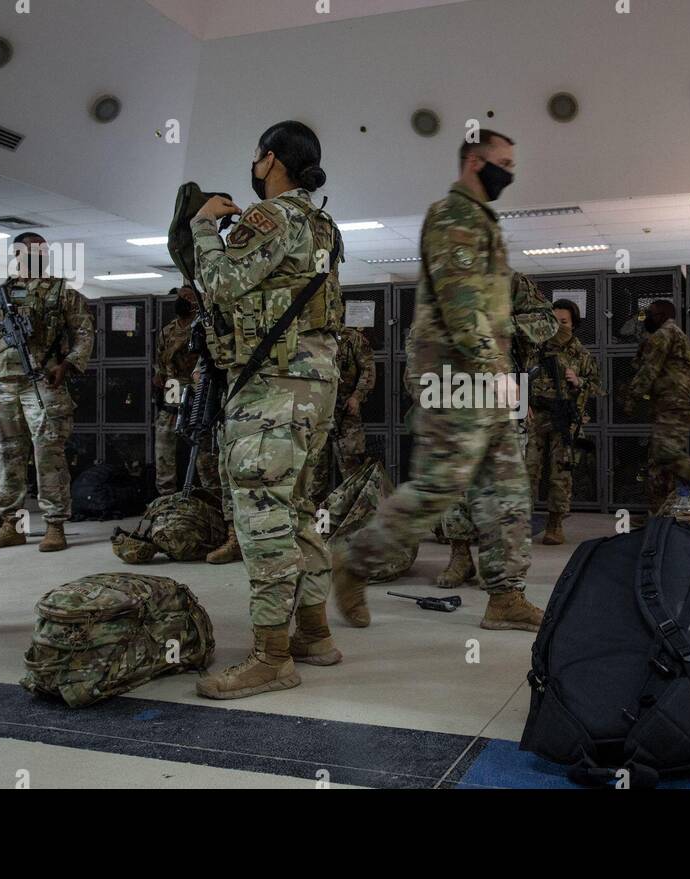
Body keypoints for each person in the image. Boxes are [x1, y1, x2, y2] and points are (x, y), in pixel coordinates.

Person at [334, 129, 543, 632]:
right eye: (503, 163)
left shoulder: (482, 220)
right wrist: (498, 375)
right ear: (474, 162)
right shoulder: (452, 216)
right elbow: (461, 305)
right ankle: (354, 563)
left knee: (507, 491)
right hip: (453, 378)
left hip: (482, 379)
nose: (509, 173)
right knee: (438, 488)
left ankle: (506, 596)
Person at [189, 120, 346, 698]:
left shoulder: (273, 216)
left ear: (270, 160)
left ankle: (270, 657)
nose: (252, 168)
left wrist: (203, 225)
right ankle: (313, 633)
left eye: (256, 158)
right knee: (298, 507)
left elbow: (220, 282)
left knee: (261, 513)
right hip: (314, 385)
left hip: (274, 388)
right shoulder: (322, 222)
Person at [0, 232, 94, 552]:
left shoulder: (62, 293)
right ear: (17, 254)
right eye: (30, 250)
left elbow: (83, 333)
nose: (37, 255)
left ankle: (55, 526)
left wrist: (67, 365)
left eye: (42, 250)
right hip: (2, 387)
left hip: (42, 382)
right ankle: (13, 525)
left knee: (48, 456)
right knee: (6, 457)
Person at [438, 272, 559, 586]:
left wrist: (505, 326)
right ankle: (460, 556)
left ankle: (500, 575)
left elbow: (547, 324)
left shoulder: (512, 281)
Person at [623, 299, 690, 510]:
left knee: (664, 451)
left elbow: (648, 371)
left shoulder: (664, 334)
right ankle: (659, 514)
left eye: (649, 314)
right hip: (675, 402)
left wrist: (631, 398)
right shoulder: (673, 334)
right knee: (658, 463)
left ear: (661, 315)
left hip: (678, 403)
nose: (645, 318)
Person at [524, 298, 600, 545]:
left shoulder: (582, 354)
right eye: (553, 321)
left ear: (574, 324)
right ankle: (521, 521)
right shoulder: (536, 349)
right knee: (528, 470)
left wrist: (579, 381)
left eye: (564, 322)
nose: (558, 326)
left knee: (561, 472)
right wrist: (522, 405)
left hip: (564, 418)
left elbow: (597, 387)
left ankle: (555, 524)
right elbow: (520, 378)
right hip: (536, 417)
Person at [152, 286, 222, 498]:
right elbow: (160, 365)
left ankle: (215, 496)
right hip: (172, 394)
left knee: (203, 450)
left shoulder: (202, 327)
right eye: (180, 296)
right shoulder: (167, 330)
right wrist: (159, 378)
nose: (182, 300)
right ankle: (165, 498)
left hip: (196, 392)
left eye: (188, 297)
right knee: (163, 448)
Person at [309, 324, 376, 503]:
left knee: (350, 465)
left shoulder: (353, 338)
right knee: (315, 465)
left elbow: (368, 369)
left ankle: (353, 512)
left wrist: (357, 396)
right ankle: (316, 516)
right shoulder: (312, 338)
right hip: (318, 410)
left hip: (345, 410)